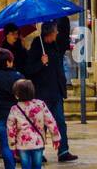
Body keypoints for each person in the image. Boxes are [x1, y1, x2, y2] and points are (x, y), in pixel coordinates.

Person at [25, 22, 78, 161]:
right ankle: (39, 152)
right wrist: (41, 63)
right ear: (49, 33)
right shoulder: (37, 45)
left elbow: (65, 37)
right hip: (42, 94)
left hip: (56, 92)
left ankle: (63, 150)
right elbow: (29, 70)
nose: (57, 34)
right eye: (55, 32)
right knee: (41, 124)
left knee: (60, 122)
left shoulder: (56, 45)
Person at [5, 79, 61, 169]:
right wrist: (56, 138)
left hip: (23, 145)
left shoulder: (15, 108)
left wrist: (12, 146)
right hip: (38, 143)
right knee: (37, 167)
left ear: (17, 94)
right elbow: (50, 121)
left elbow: (10, 129)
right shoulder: (40, 104)